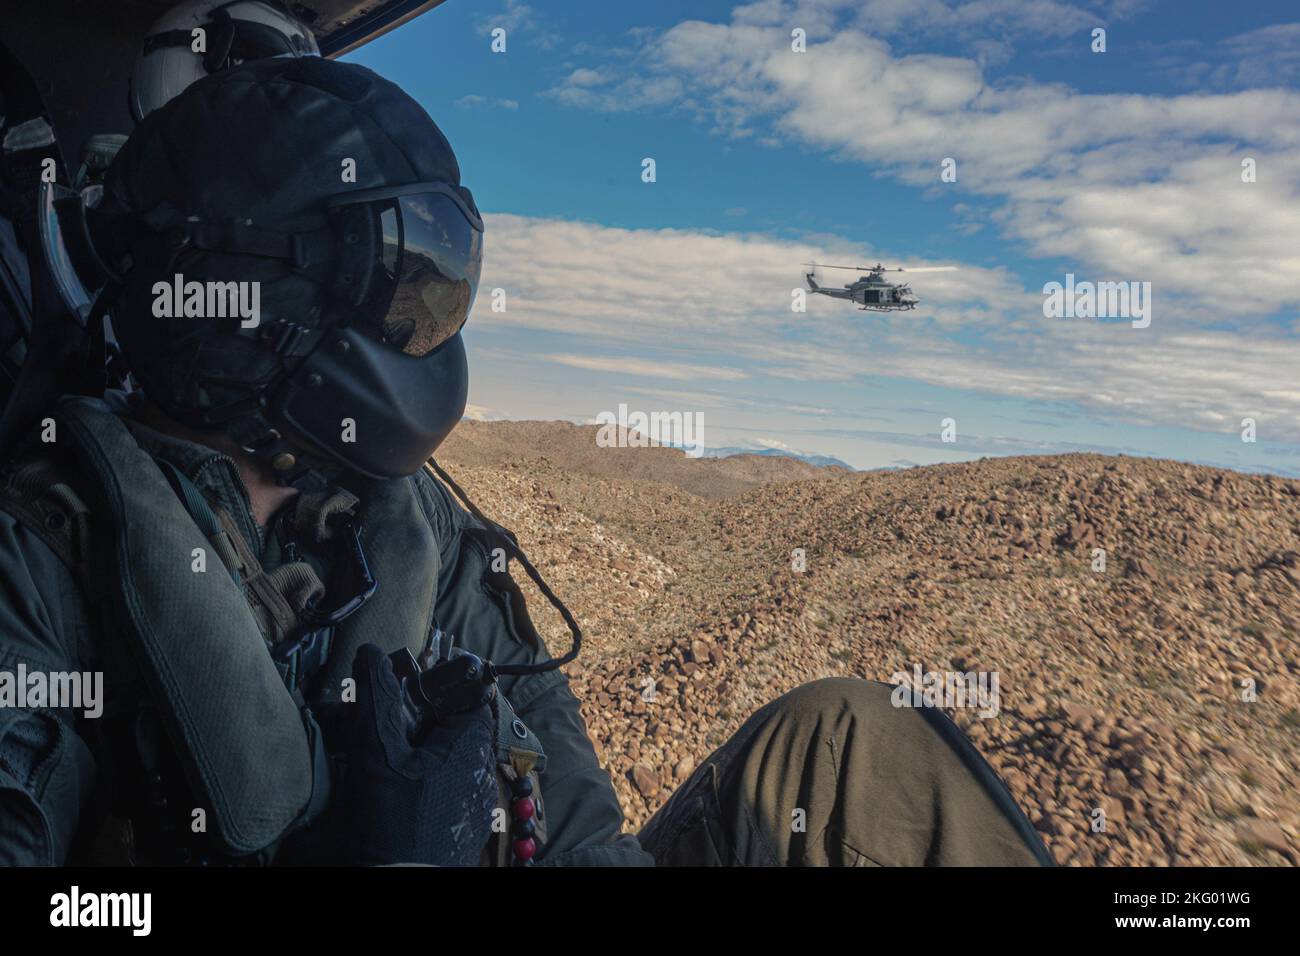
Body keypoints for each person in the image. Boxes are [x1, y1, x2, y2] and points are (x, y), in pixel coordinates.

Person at [0, 56, 1052, 867]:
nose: (428, 325)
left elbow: (565, 784)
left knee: (844, 740)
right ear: (251, 301)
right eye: (402, 283)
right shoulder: (46, 563)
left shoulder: (407, 529)